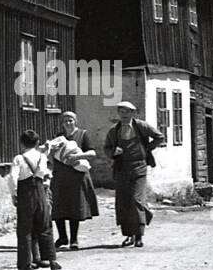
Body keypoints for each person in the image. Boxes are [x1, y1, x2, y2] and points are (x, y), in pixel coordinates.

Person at [104, 101, 165, 248]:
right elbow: (107, 148)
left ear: (133, 113)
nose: (124, 115)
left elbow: (159, 137)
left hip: (139, 167)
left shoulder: (141, 126)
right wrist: (113, 152)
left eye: (127, 112)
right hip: (121, 169)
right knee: (123, 202)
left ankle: (139, 235)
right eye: (121, 112)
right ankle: (128, 236)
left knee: (137, 200)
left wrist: (146, 149)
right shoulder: (114, 131)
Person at [8, 130, 61, 270]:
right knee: (45, 226)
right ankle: (52, 260)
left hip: (25, 193)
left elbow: (13, 178)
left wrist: (14, 194)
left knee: (25, 229)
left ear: (22, 143)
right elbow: (45, 173)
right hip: (40, 191)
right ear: (38, 143)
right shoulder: (41, 157)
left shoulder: (19, 158)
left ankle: (25, 265)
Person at [49, 112, 99, 250]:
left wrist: (77, 157)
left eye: (70, 120)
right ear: (62, 123)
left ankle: (74, 239)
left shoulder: (83, 135)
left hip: (76, 176)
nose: (68, 123)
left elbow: (92, 153)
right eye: (65, 121)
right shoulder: (59, 138)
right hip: (60, 176)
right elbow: (50, 153)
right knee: (58, 206)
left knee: (74, 207)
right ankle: (62, 237)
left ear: (75, 121)